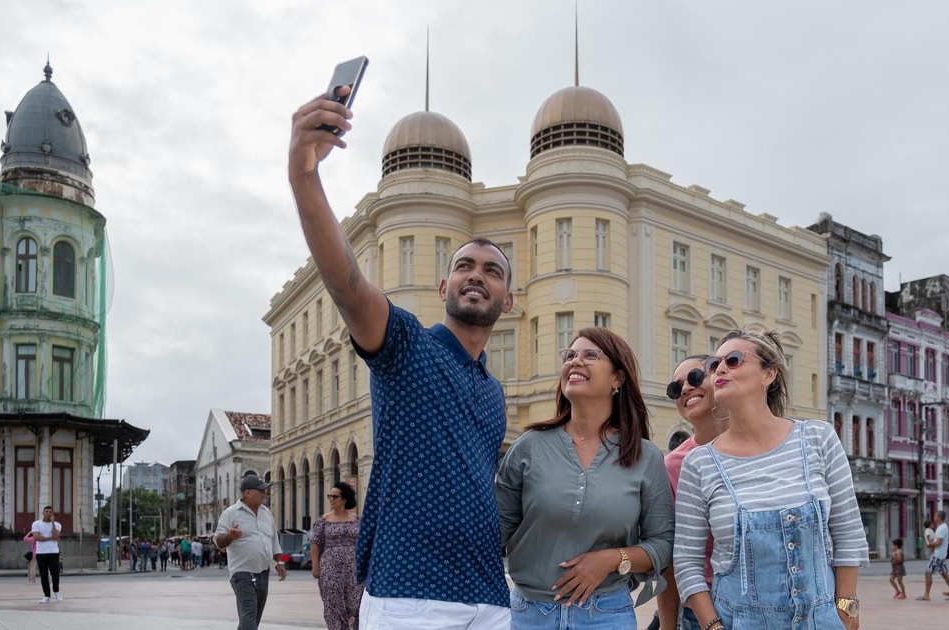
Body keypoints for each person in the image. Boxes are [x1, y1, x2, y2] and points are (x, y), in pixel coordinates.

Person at [289, 90, 515, 629]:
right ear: (445, 285)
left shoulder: (493, 392)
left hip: (488, 597)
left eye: (493, 269)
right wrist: (304, 177)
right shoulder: (409, 347)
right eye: (465, 265)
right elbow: (347, 286)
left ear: (507, 300)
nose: (477, 274)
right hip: (410, 596)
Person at [674, 329, 868, 630]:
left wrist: (847, 611)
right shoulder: (699, 463)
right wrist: (712, 626)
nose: (720, 369)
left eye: (734, 360)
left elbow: (848, 534)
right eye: (714, 364)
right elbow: (686, 560)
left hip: (823, 621)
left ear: (769, 374)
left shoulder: (818, 438)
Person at [497, 328, 674, 629]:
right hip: (528, 615)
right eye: (570, 355)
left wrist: (611, 559)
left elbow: (663, 543)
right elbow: (495, 532)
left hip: (606, 615)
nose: (575, 361)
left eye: (590, 355)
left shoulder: (645, 456)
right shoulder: (529, 445)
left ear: (617, 379)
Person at [654, 354, 725, 630]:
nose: (685, 389)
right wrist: (668, 626)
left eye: (695, 377)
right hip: (700, 612)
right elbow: (671, 559)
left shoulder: (766, 445)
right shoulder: (673, 465)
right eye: (676, 388)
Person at [213, 475, 287, 630]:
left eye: (265, 489)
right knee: (248, 612)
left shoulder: (266, 513)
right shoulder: (231, 513)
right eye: (261, 490)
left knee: (254, 616)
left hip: (263, 571)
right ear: (248, 492)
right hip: (242, 572)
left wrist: (279, 562)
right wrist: (230, 536)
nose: (265, 493)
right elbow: (218, 540)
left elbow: (274, 540)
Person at [310, 481, 363, 630]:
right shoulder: (323, 520)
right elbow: (315, 543)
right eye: (329, 496)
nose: (331, 499)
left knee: (355, 604)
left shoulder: (358, 520)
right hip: (330, 568)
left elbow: (365, 542)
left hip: (354, 568)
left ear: (345, 499)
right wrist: (315, 566)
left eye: (335, 497)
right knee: (333, 604)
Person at [917, 510, 949, 601]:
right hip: (940, 554)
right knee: (944, 573)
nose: (934, 517)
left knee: (928, 572)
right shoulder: (940, 527)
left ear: (939, 517)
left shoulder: (942, 528)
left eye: (935, 516)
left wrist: (930, 544)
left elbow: (939, 542)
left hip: (938, 555)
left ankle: (926, 594)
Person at [30, 505, 63, 603]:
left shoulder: (57, 524)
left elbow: (56, 536)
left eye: (50, 512)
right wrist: (49, 539)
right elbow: (36, 537)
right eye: (46, 511)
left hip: (53, 552)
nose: (48, 513)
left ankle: (56, 591)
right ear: (43, 513)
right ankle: (46, 595)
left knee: (55, 573)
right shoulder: (36, 524)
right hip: (41, 553)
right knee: (43, 574)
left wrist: (52, 523)